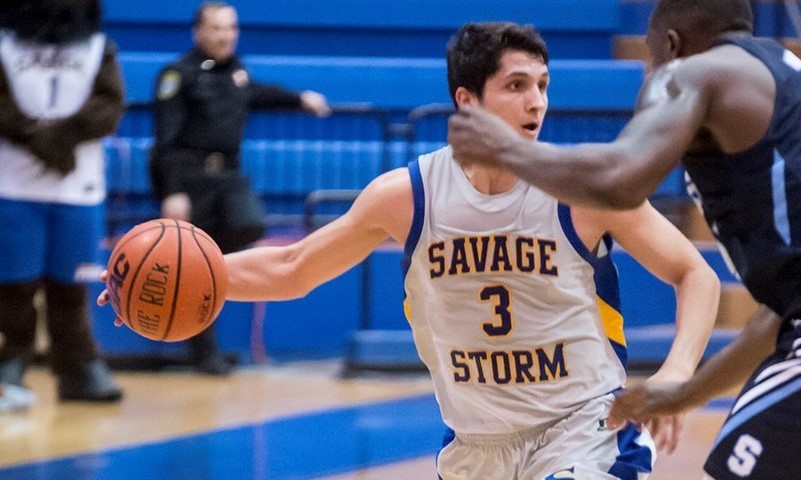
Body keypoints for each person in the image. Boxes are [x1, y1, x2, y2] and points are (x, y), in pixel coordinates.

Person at [104, 21, 719, 478]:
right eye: (516, 85)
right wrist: (187, 279)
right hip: (476, 446)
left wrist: (677, 373)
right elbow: (294, 267)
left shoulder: (583, 188)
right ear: (467, 101)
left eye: (543, 85)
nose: (537, 102)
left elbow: (696, 273)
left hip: (583, 430)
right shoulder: (408, 196)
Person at [447, 1, 801, 479]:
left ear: (671, 44)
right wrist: (687, 392)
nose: (650, 74)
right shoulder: (792, 86)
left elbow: (621, 179)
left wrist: (507, 149)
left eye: (649, 56)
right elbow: (785, 315)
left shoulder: (693, 74)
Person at [149, 1, 331, 375]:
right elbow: (164, 141)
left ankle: (211, 277)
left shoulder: (237, 72)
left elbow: (261, 94)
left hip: (228, 178)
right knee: (193, 265)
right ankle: (203, 353)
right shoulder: (177, 75)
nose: (225, 36)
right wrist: (172, 191)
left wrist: (300, 99)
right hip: (190, 179)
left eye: (231, 28)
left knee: (246, 226)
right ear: (198, 32)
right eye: (217, 28)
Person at [0, 0, 124, 403]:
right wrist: (41, 140)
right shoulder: (4, 44)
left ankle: (77, 364)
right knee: (13, 284)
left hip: (79, 187)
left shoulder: (97, 47)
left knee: (72, 283)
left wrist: (62, 138)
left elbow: (109, 105)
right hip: (12, 184)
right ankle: (11, 361)